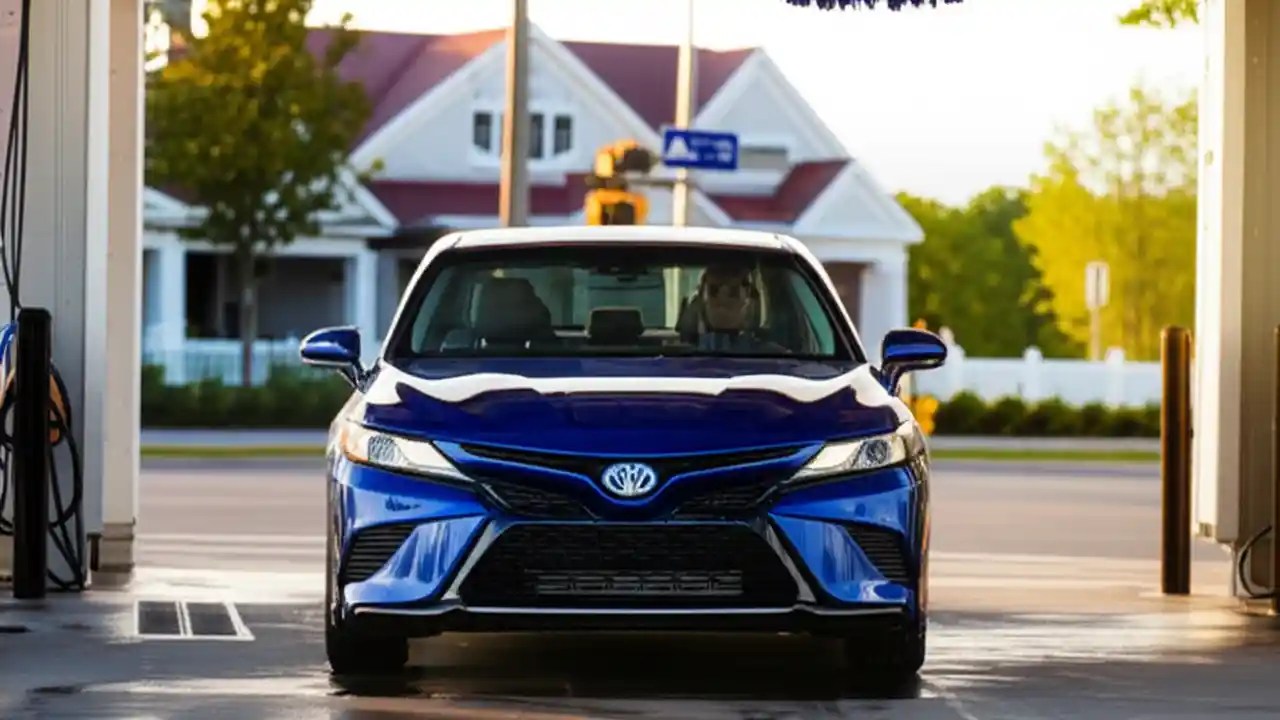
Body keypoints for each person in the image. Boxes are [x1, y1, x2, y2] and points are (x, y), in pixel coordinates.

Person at [690, 263, 787, 353]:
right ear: (701, 302)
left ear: (749, 301)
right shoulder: (681, 356)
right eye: (714, 291)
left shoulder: (778, 359)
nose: (723, 301)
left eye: (733, 293)